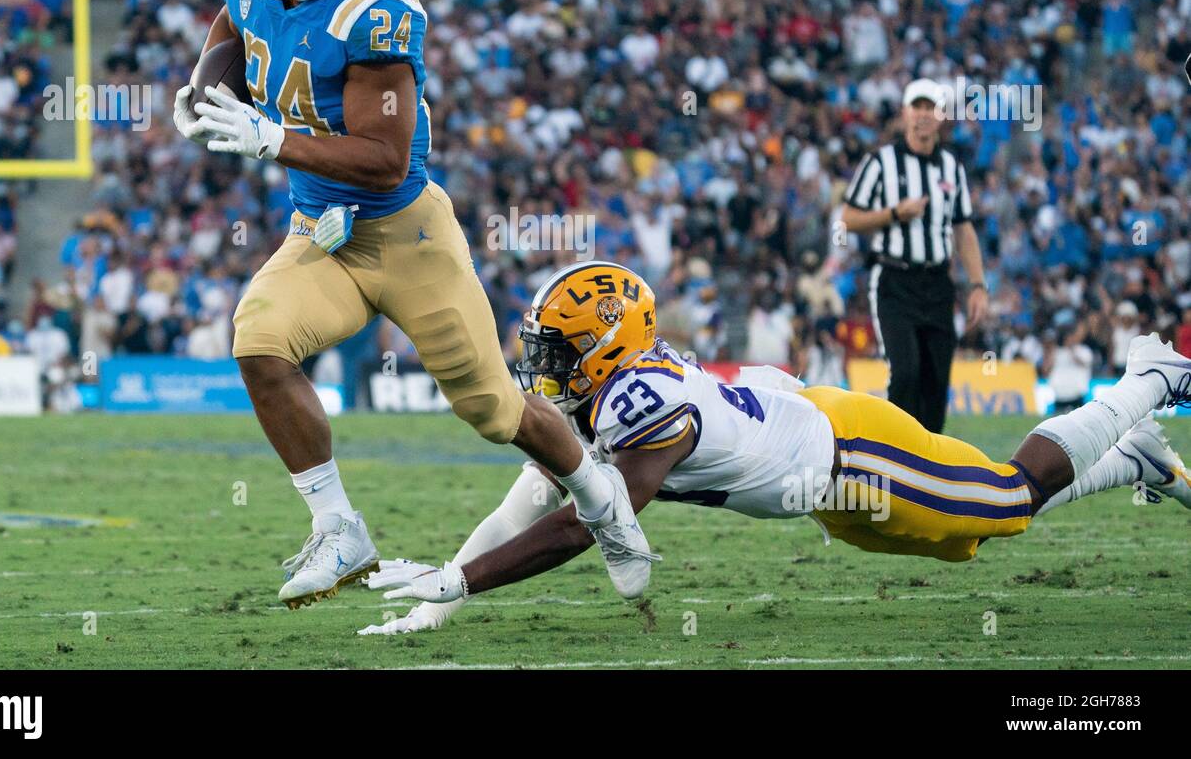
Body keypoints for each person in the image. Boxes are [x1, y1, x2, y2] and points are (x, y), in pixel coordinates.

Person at [173, 0, 654, 610]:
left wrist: (270, 139)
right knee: (258, 339)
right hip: (320, 232)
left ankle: (603, 502)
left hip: (405, 235)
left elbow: (385, 161)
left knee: (494, 409)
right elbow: (235, 24)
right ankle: (339, 528)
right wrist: (199, 94)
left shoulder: (374, 12)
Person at [358, 262, 1191, 633]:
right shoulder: (606, 393)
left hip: (848, 452)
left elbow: (591, 524)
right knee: (963, 541)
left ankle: (1144, 381)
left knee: (1006, 501)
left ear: (608, 345)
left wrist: (458, 578)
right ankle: (1134, 458)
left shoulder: (641, 401)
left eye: (557, 350)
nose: (543, 367)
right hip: (818, 481)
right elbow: (530, 500)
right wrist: (442, 601)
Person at [840, 78, 987, 433]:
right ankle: (896, 458)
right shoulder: (880, 162)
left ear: (940, 117)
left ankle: (926, 473)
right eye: (917, 107)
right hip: (894, 280)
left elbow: (963, 227)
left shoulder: (951, 166)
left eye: (931, 108)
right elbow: (848, 218)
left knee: (936, 382)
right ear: (906, 113)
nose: (923, 115)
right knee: (905, 372)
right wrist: (893, 214)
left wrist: (978, 284)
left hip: (938, 283)